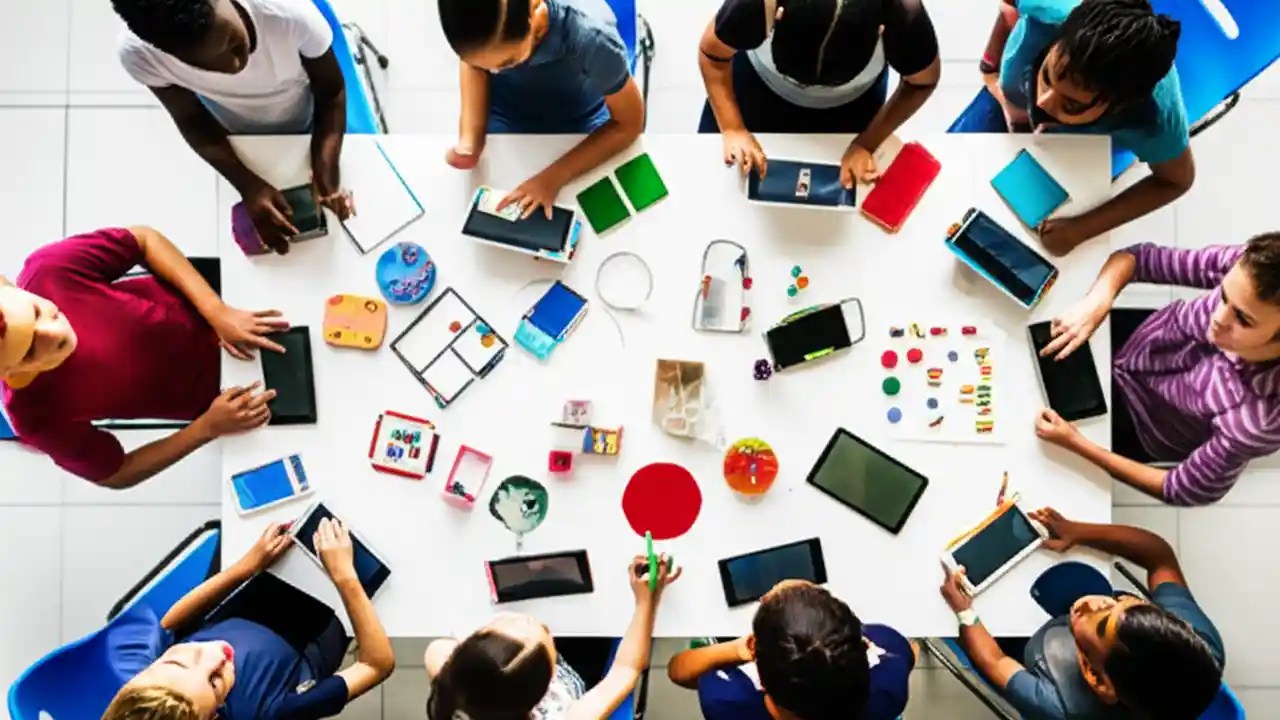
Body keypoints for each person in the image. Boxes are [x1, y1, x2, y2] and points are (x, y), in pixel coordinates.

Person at [0, 227, 284, 488]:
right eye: (30, 350)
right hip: (237, 396)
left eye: (36, 312)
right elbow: (116, 473)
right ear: (8, 372)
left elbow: (144, 241)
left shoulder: (49, 270)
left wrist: (217, 311)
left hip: (235, 307)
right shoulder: (32, 414)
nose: (55, 333)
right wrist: (205, 428)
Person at [1037, 237, 1280, 505]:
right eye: (1222, 296)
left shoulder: (1263, 419)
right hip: (1135, 337)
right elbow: (1139, 259)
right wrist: (1098, 301)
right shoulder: (1252, 266)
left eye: (1243, 319)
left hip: (1137, 421)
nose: (1218, 318)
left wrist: (1077, 444)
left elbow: (1181, 490)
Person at [112, 0, 352, 254]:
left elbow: (332, 91)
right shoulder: (140, 54)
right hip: (236, 133)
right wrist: (248, 185)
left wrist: (325, 166)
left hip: (310, 110)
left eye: (233, 42)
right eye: (205, 65)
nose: (234, 65)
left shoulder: (290, 14)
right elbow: (191, 119)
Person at [940, 507, 1224, 720]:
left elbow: (996, 661)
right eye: (1122, 600)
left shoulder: (1064, 708)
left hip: (1024, 644)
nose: (1097, 602)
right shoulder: (1195, 643)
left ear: (1096, 678)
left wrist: (964, 611)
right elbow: (1159, 556)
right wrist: (1077, 532)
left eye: (1101, 624)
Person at [102, 518, 395, 719]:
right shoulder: (270, 713)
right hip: (323, 622)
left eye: (180, 660)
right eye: (215, 681)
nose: (218, 653)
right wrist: (345, 576)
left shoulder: (150, 685)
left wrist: (245, 567)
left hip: (261, 591)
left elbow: (169, 625)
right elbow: (377, 664)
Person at [972, 0, 1193, 255]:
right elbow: (1008, 5)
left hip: (1086, 146)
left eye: (1072, 104)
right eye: (1046, 76)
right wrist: (990, 65)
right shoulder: (1050, 6)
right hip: (1010, 101)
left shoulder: (1154, 121)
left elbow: (1176, 181)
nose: (1043, 102)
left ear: (1118, 107)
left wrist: (1080, 229)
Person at [697, 0, 941, 187]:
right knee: (715, 180)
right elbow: (713, 55)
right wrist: (733, 129)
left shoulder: (903, 11)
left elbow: (921, 82)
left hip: (852, 105)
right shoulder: (756, 5)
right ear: (777, 15)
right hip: (757, 86)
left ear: (881, 29)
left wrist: (866, 144)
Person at [438, 0, 645, 220]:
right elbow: (473, 63)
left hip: (583, 121)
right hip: (507, 113)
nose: (494, 71)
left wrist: (551, 179)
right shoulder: (483, 31)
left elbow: (628, 124)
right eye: (487, 65)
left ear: (534, 11)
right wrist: (471, 139)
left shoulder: (592, 39)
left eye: (507, 62)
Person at [424, 554, 681, 719]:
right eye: (546, 633)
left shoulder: (447, 674)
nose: (540, 622)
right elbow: (626, 668)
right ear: (548, 685)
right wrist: (647, 600)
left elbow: (438, 648)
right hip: (584, 660)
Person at [667, 580, 916, 720]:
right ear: (863, 646)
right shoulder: (890, 678)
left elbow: (679, 670)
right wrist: (816, 603)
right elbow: (908, 651)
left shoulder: (726, 701)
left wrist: (734, 649)